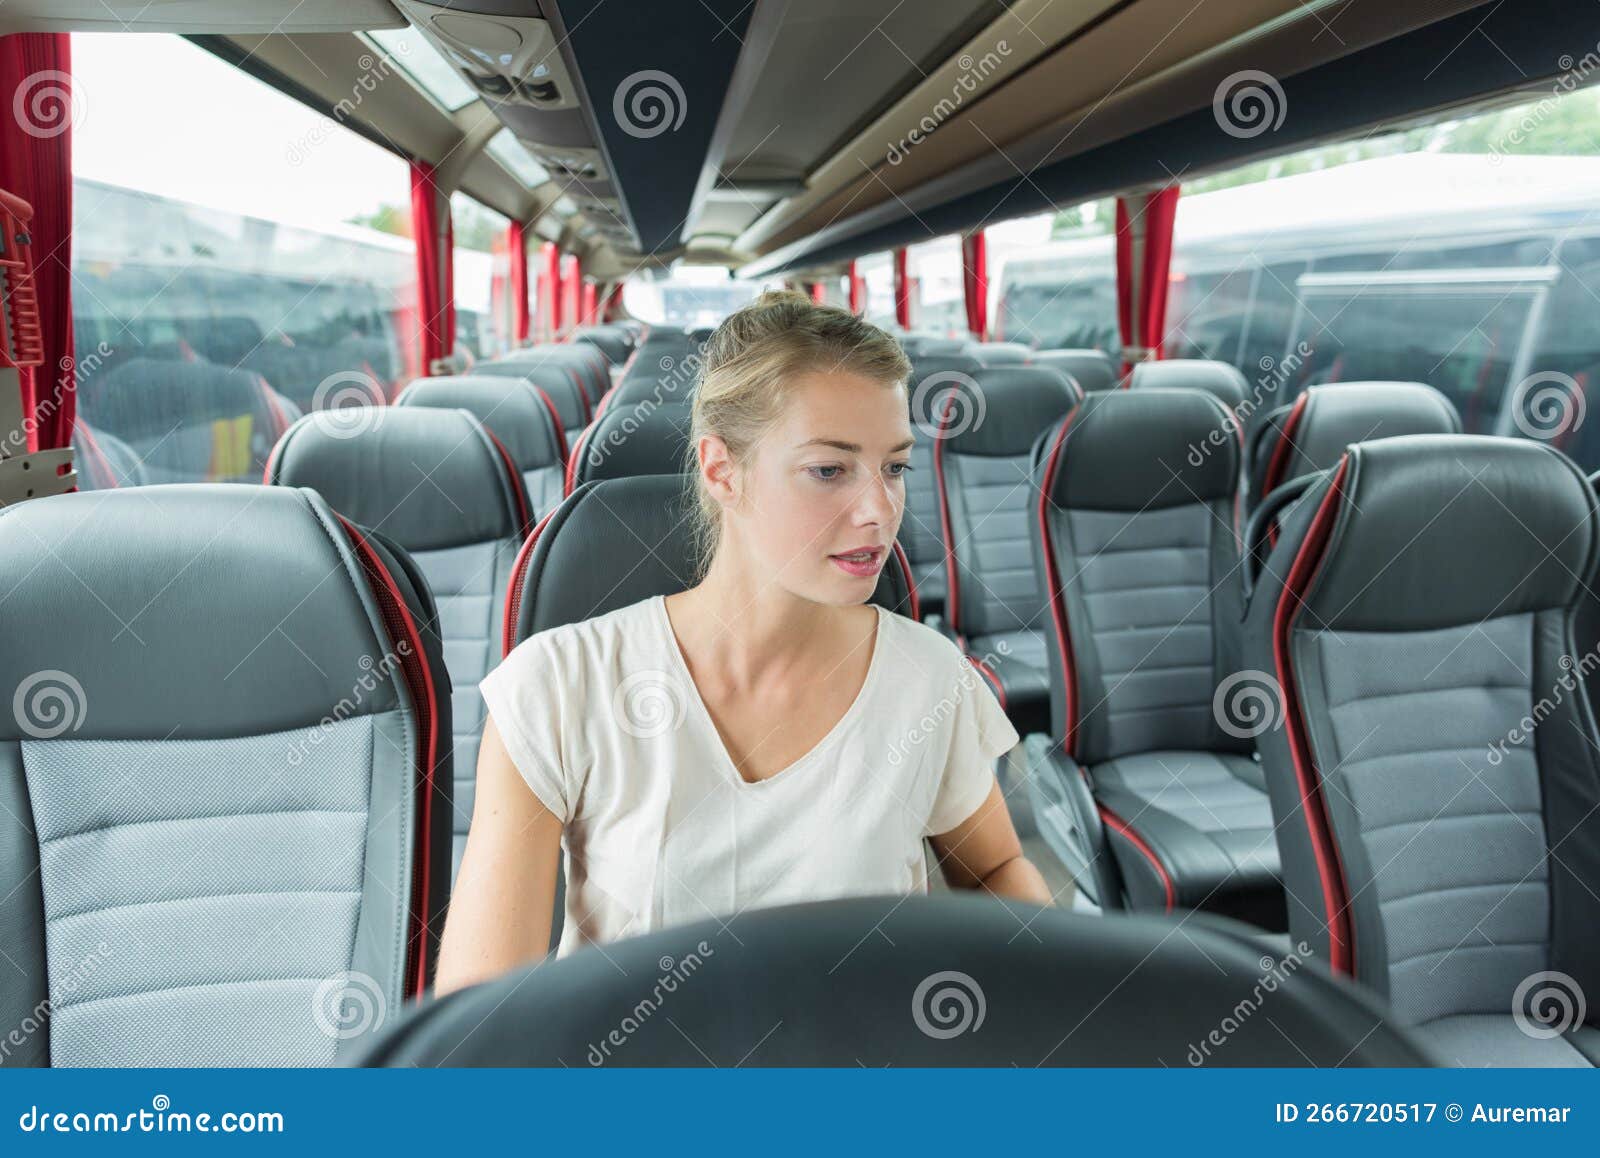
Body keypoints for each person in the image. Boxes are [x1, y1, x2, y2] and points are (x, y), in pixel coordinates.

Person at [436, 292, 1050, 993]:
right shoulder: (559, 685)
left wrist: (1049, 998)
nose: (879, 509)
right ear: (723, 470)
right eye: (830, 470)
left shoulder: (929, 678)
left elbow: (996, 869)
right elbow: (480, 1023)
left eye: (895, 467)